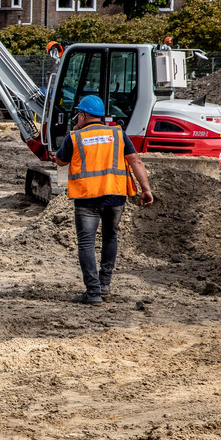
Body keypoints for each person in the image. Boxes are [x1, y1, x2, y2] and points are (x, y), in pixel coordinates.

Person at [53, 95, 153, 304]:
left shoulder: (75, 137)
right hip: (115, 196)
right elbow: (135, 160)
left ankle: (93, 292)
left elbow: (60, 161)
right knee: (110, 237)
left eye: (78, 114)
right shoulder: (118, 134)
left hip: (87, 198)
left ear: (83, 115)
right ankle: (105, 285)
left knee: (87, 244)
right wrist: (145, 189)